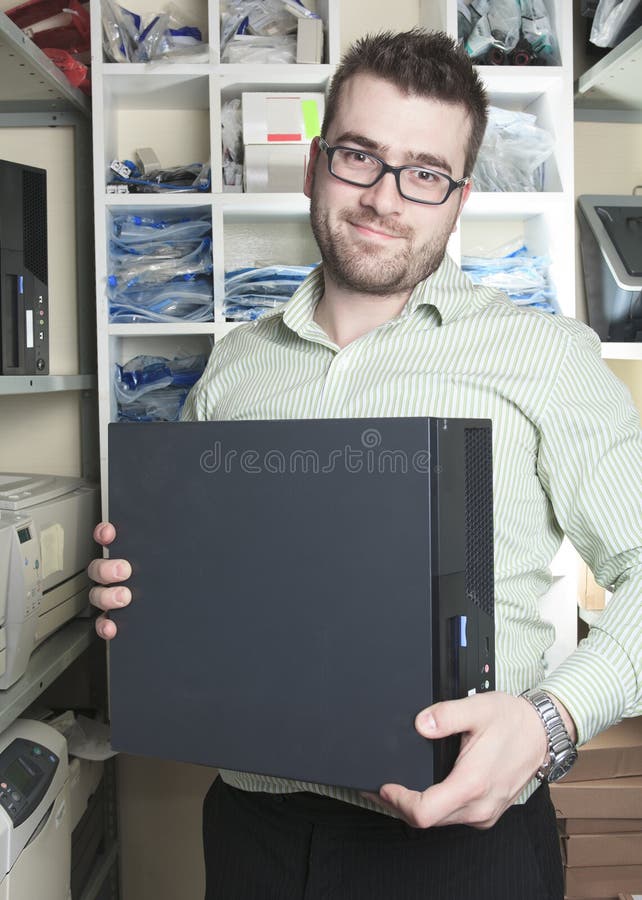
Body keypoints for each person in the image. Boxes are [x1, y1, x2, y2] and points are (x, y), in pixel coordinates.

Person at [89, 28, 642, 900]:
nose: (386, 197)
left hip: (463, 847)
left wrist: (552, 722)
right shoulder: (235, 367)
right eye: (360, 157)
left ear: (458, 199)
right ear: (315, 166)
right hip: (250, 832)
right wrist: (137, 594)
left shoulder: (544, 354)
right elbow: (203, 587)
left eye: (424, 172)